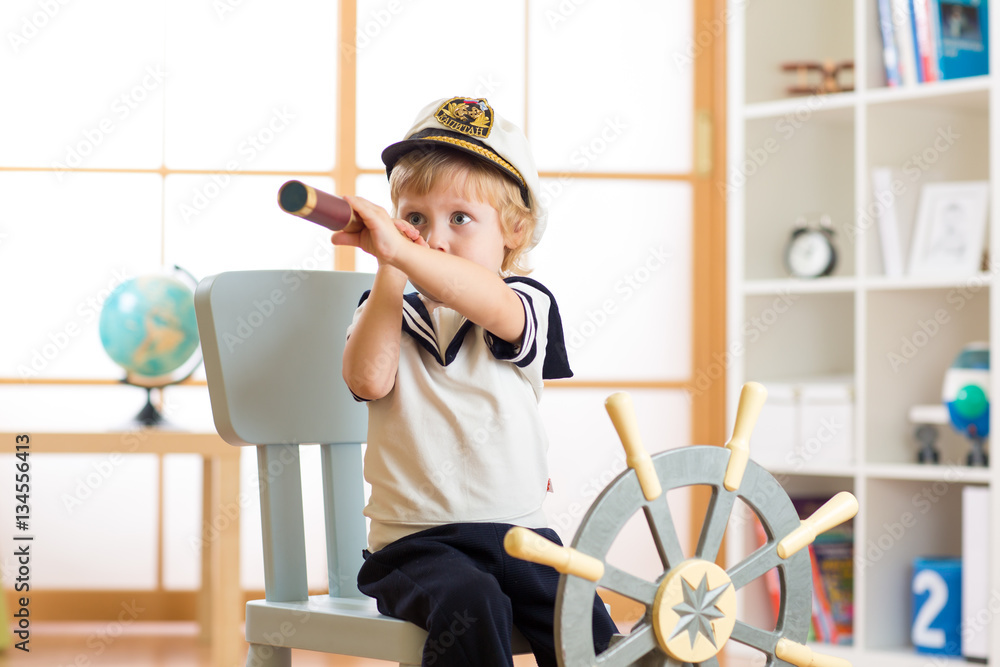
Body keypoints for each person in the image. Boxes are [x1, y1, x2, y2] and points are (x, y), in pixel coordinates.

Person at [332, 96, 617, 666]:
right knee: (472, 602)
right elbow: (368, 378)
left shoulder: (522, 303)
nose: (433, 239)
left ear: (514, 230)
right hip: (415, 545)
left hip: (520, 534)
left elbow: (487, 302)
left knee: (586, 622)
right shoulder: (382, 308)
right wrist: (390, 268)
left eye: (460, 218)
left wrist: (407, 254)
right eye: (414, 219)